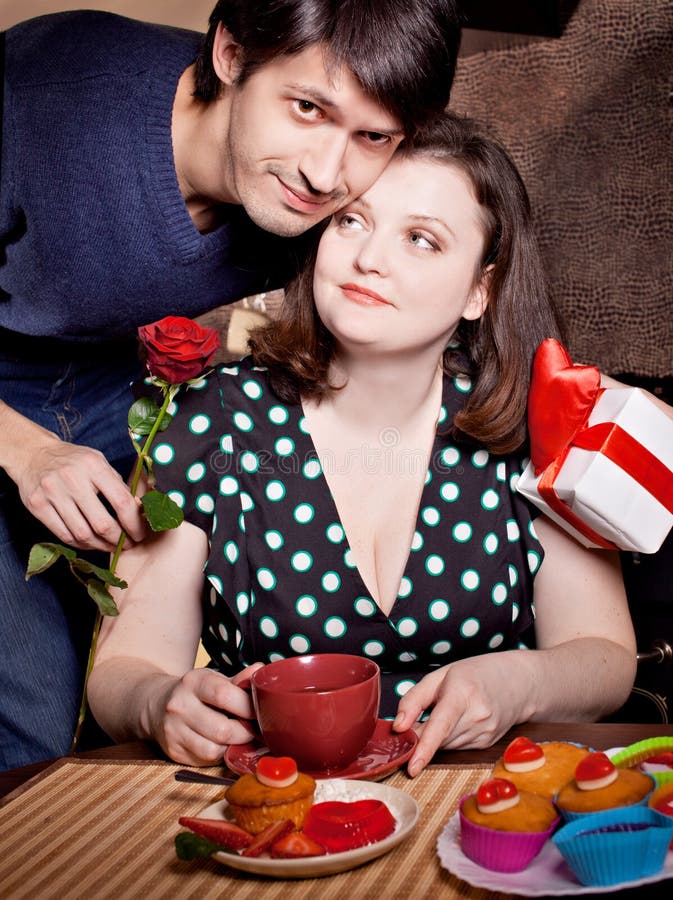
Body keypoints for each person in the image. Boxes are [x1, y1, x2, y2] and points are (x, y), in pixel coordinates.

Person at [87, 113, 637, 776]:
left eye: (421, 240)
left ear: (478, 290)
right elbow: (125, 667)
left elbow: (603, 654)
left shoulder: (533, 423)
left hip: (483, 795)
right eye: (352, 221)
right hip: (277, 801)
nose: (368, 257)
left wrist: (520, 681)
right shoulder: (212, 420)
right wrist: (158, 703)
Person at [0, 0, 461, 769]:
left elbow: (455, 249)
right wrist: (26, 450)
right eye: (307, 108)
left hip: (113, 380)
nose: (325, 175)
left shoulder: (341, 190)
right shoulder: (41, 97)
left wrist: (599, 411)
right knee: (32, 724)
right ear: (230, 53)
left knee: (116, 679)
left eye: (372, 135)